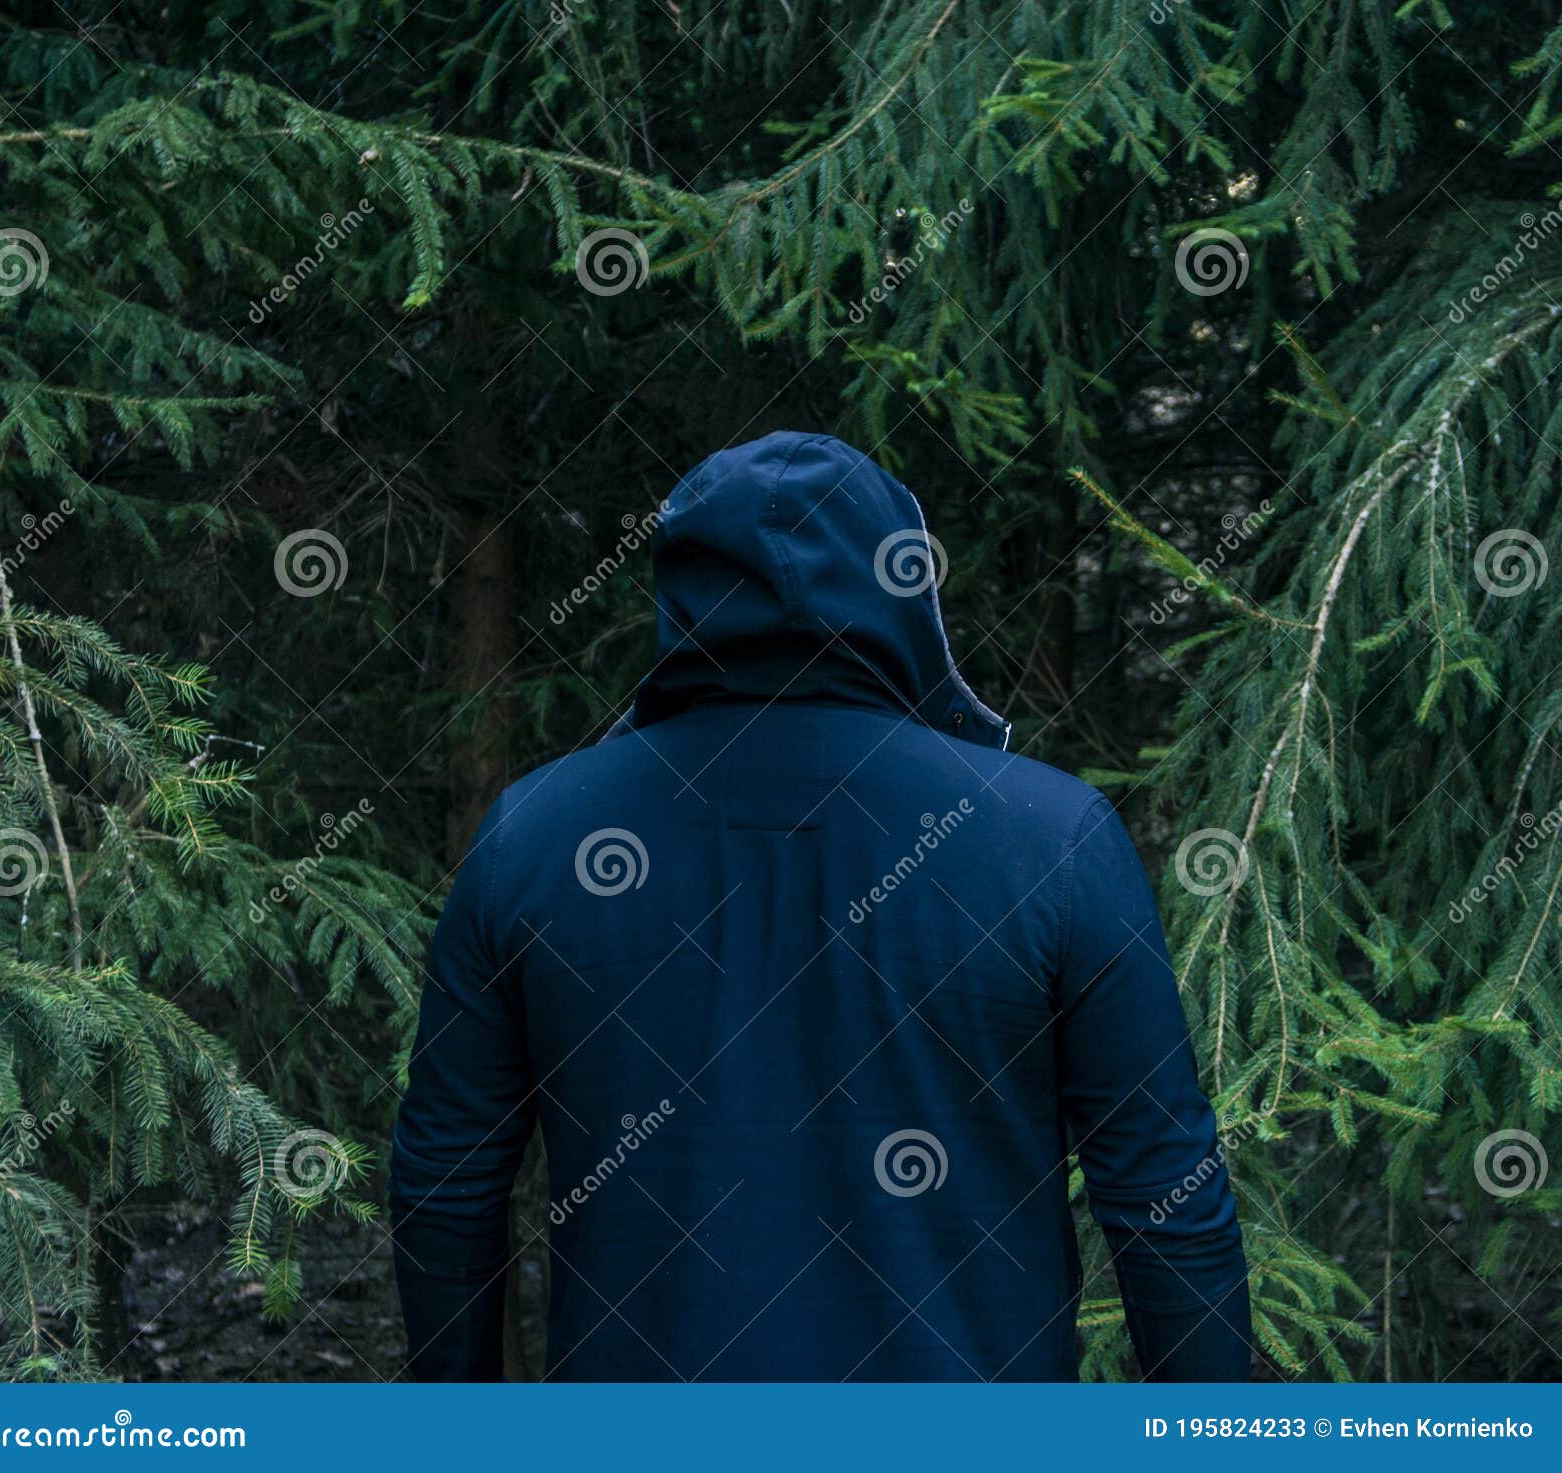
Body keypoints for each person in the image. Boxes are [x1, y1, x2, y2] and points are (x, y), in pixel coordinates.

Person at [389, 431, 1251, 1381]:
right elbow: (1167, 1198)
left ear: (682, 589)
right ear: (902, 585)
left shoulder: (537, 837)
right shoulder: (1049, 838)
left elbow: (446, 1186)